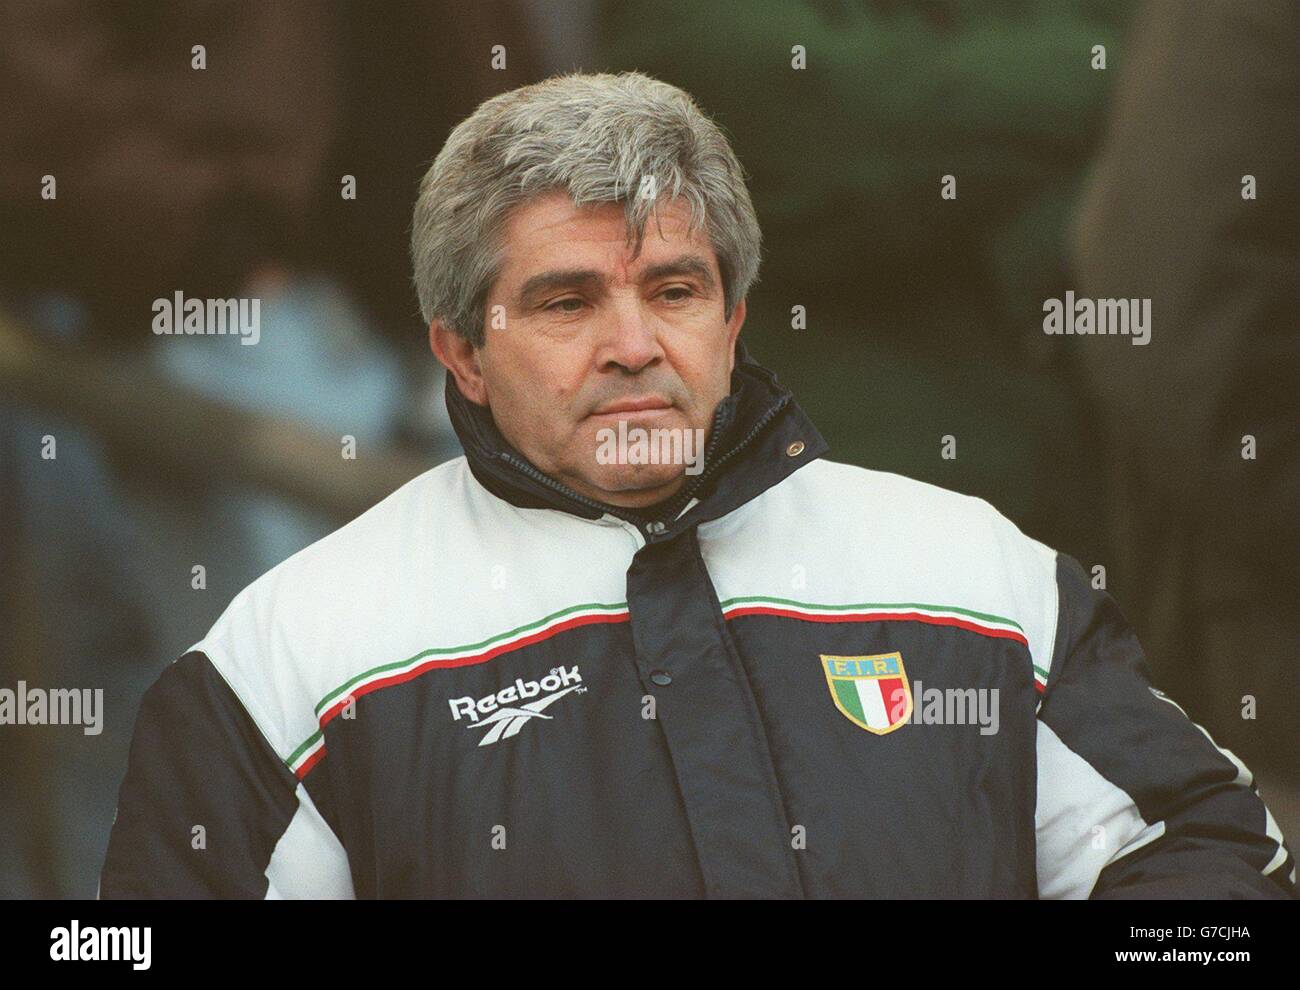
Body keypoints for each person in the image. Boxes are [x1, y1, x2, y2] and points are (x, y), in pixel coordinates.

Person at [101, 72, 1295, 899]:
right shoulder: (293, 653)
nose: (633, 344)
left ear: (731, 321)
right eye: (568, 300)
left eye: (673, 290)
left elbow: (1195, 843)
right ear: (458, 347)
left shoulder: (972, 568)